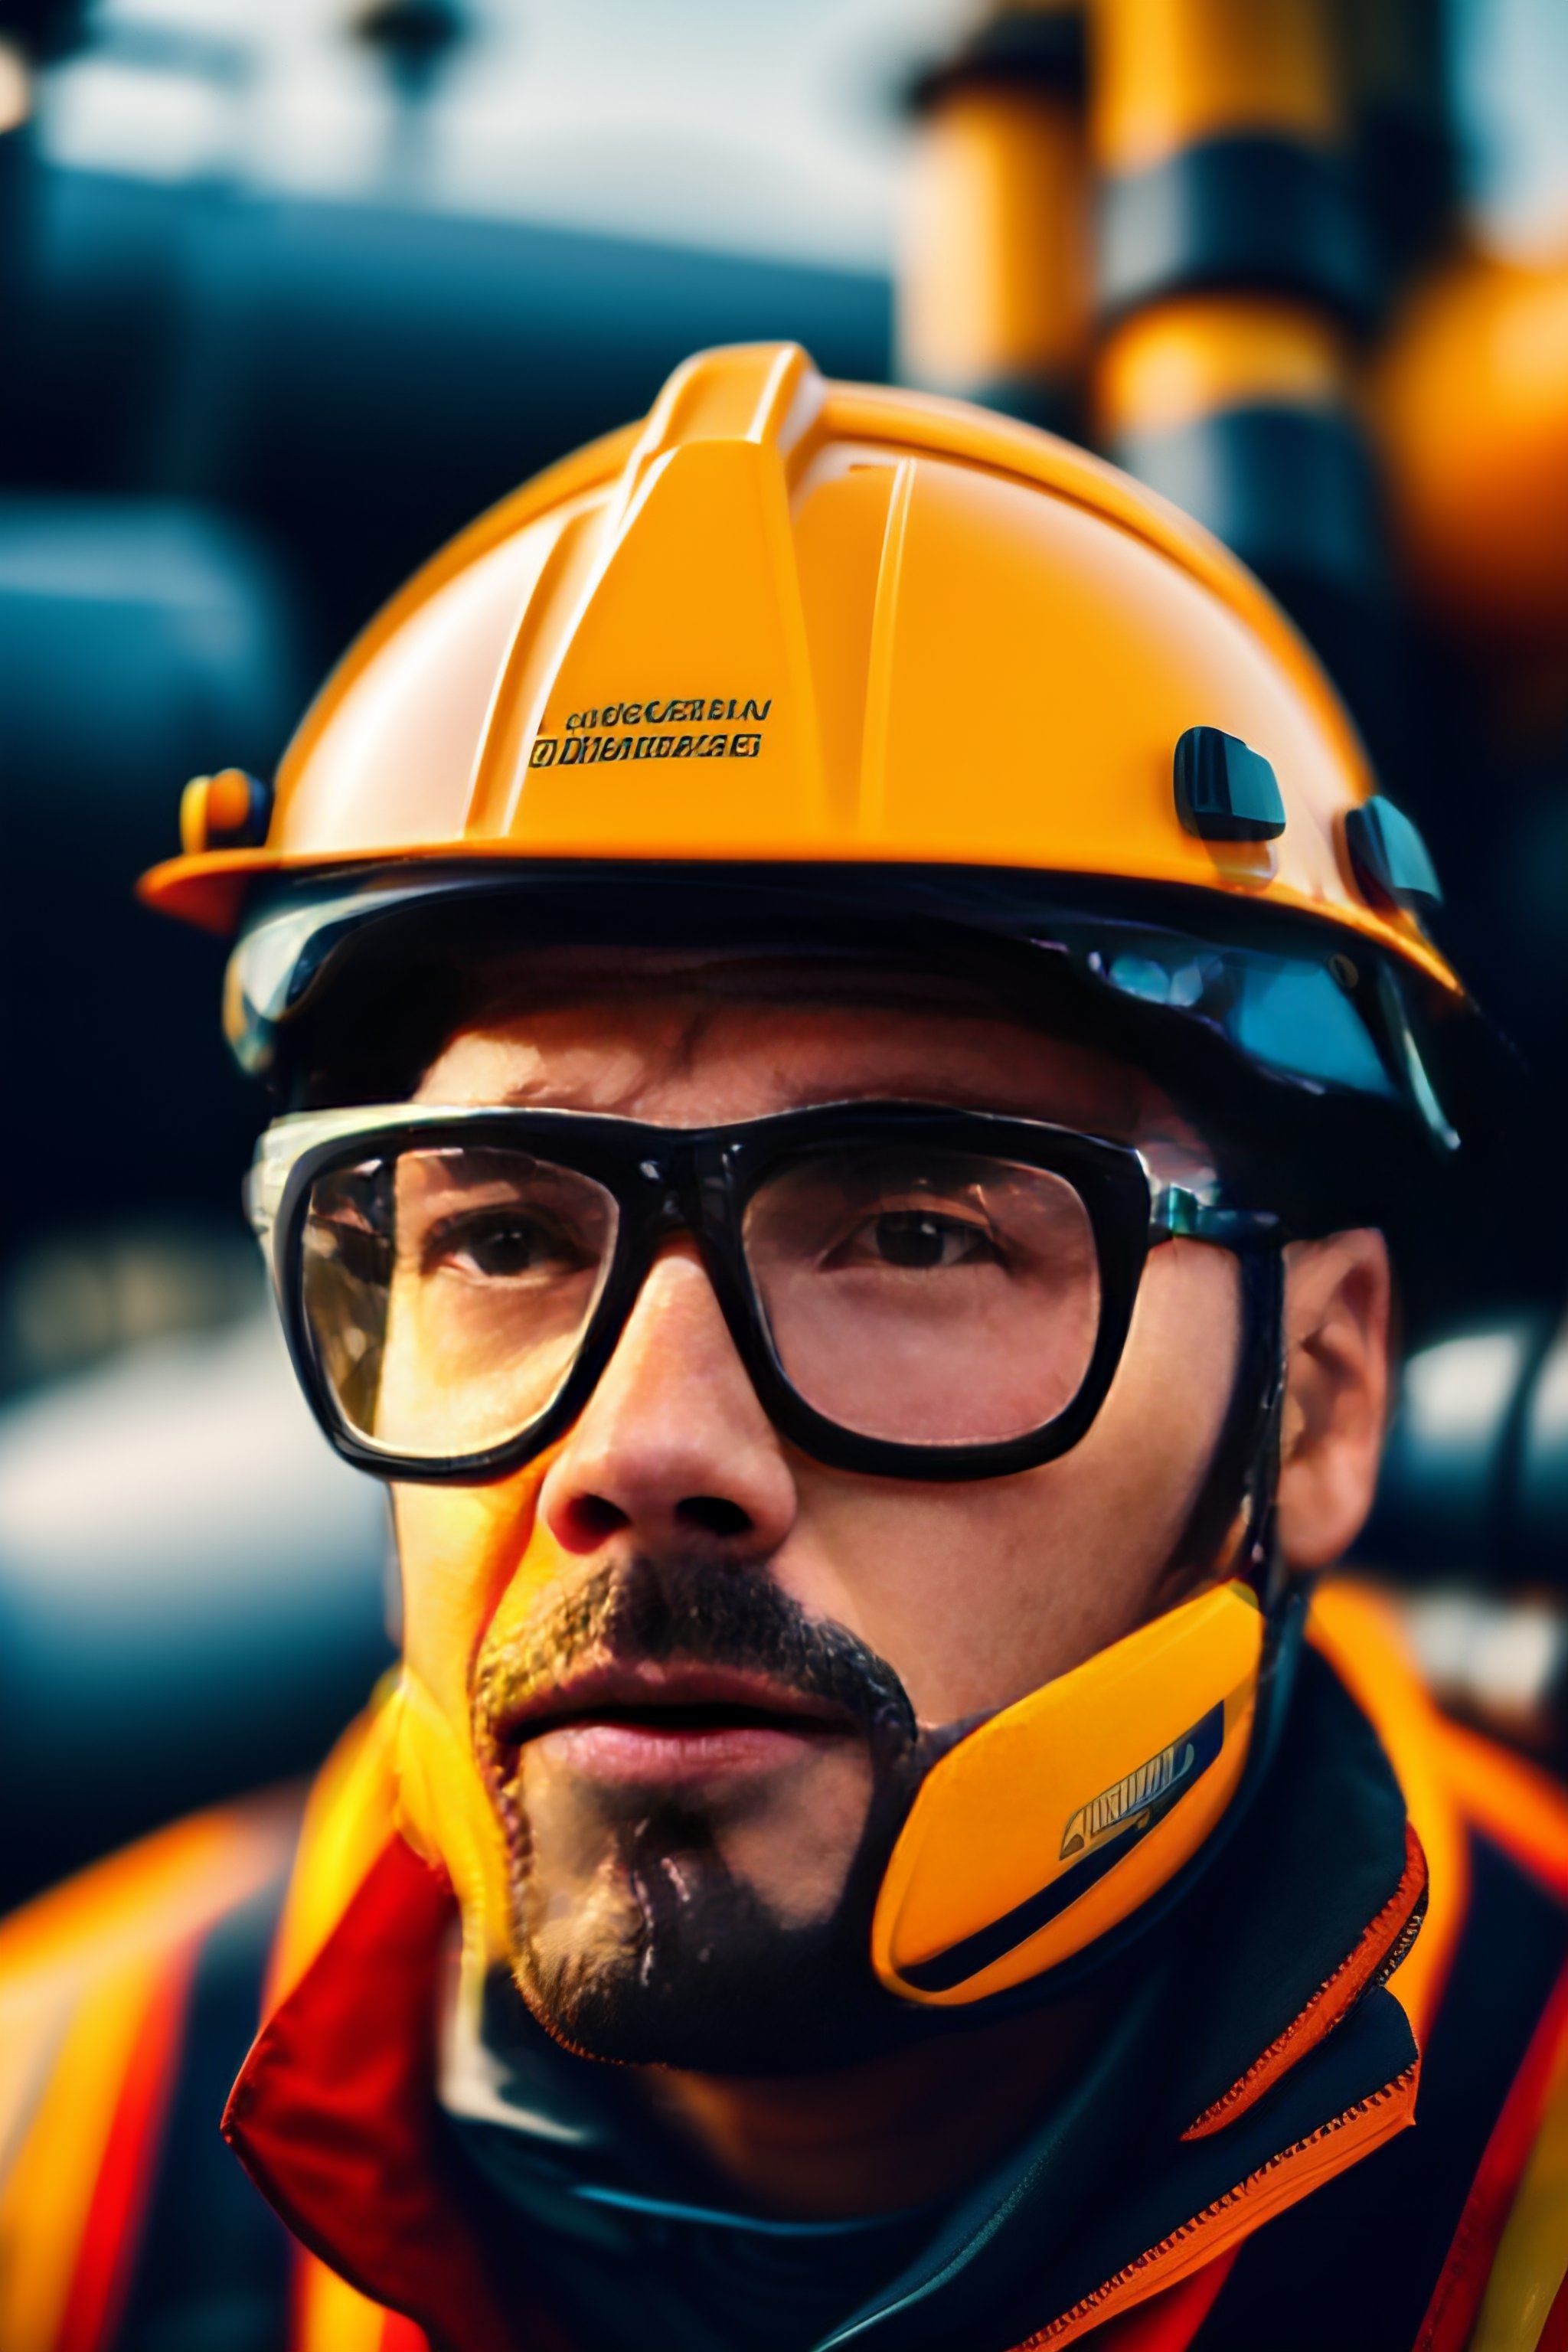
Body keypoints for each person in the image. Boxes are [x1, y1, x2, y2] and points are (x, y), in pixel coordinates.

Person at [4, 343, 1567, 2352]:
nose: (643, 1448)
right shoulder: (58, 2160)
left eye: (917, 1233)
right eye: (500, 1234)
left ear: (1324, 1396)